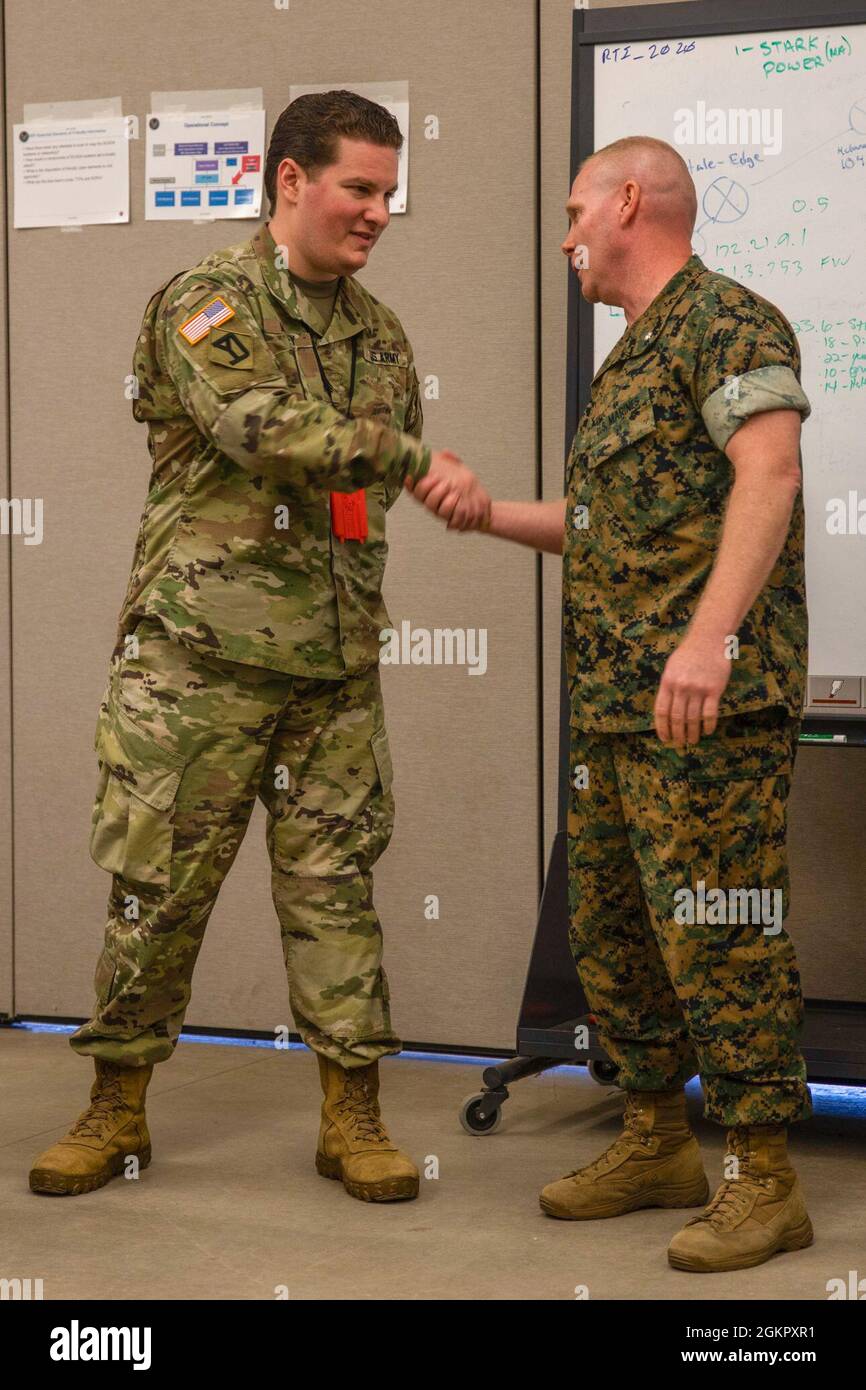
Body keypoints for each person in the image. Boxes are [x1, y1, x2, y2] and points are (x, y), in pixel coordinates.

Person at [29, 90, 489, 1205]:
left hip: (329, 673)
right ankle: (115, 1109)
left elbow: (350, 493)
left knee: (336, 891)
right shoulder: (208, 301)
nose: (378, 211)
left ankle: (354, 1117)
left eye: (388, 191)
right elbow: (256, 423)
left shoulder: (377, 334)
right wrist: (406, 454)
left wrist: (386, 467)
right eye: (358, 188)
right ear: (290, 181)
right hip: (196, 663)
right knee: (157, 891)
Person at [409, 135, 814, 1272]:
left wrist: (706, 638)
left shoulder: (728, 322)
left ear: (630, 201)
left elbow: (768, 473)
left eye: (577, 210)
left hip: (702, 708)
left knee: (720, 935)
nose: (566, 237)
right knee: (614, 934)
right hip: (611, 712)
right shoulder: (631, 356)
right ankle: (652, 1141)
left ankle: (764, 1180)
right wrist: (488, 514)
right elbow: (605, 527)